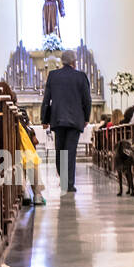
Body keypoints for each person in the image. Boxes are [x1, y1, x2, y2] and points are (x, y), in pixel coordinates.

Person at [40, 51, 91, 193]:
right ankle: (68, 183)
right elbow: (87, 100)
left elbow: (46, 100)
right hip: (75, 119)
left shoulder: (53, 75)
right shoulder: (81, 76)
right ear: (74, 62)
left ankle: (64, 180)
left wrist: (44, 119)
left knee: (60, 150)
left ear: (62, 62)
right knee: (70, 151)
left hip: (58, 118)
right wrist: (86, 117)